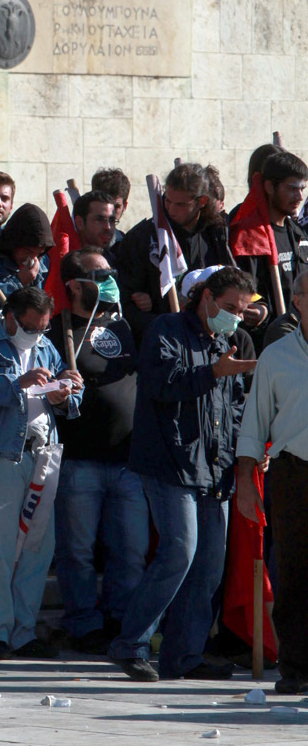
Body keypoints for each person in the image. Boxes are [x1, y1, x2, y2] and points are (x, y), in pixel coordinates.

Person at [109, 267, 256, 682]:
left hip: (215, 468)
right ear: (206, 297)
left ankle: (184, 655)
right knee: (179, 552)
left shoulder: (223, 340)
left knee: (209, 565)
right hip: (171, 463)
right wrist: (214, 372)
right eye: (229, 308)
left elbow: (233, 409)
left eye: (241, 312)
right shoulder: (166, 328)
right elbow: (160, 383)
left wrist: (241, 454)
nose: (235, 318)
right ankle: (131, 643)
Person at [0, 286, 82, 659]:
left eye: (43, 328)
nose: (37, 335)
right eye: (30, 327)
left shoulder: (45, 346)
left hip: (41, 454)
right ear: (9, 316)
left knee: (40, 547)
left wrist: (68, 392)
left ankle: (24, 632)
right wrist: (17, 384)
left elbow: (67, 391)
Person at [51, 249, 146, 653]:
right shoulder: (57, 330)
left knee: (130, 552)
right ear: (74, 285)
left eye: (112, 271)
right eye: (101, 273)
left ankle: (122, 620)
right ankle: (84, 624)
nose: (110, 279)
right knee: (77, 551)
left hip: (128, 461)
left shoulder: (126, 325)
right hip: (79, 460)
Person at [235, 270, 308, 694]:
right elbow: (254, 422)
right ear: (297, 301)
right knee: (295, 573)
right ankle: (297, 667)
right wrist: (246, 480)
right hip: (293, 474)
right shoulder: (277, 356)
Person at [118, 163, 234, 343]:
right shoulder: (144, 237)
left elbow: (232, 280)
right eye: (167, 201)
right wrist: (162, 322)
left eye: (180, 204)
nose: (171, 210)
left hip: (211, 337)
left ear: (201, 201)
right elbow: (126, 302)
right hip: (163, 339)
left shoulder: (216, 233)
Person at [234, 152, 308, 329]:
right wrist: (261, 309)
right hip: (270, 339)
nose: (299, 197)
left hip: (300, 339)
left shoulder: (299, 235)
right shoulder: (250, 237)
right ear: (269, 187)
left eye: (302, 189)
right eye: (291, 189)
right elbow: (246, 287)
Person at [91, 168, 130, 245]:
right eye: (104, 205)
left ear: (124, 206)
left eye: (116, 206)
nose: (109, 212)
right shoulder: (77, 239)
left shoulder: (127, 245)